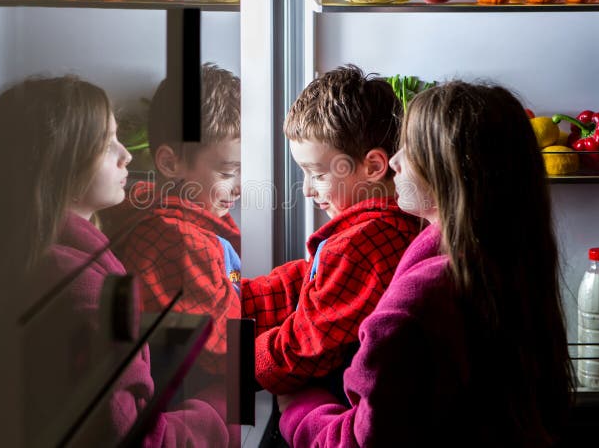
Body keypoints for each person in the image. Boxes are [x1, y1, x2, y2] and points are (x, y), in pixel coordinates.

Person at [277, 81, 574, 447]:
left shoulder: (413, 306)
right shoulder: (507, 261)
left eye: (410, 148)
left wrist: (300, 408)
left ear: (449, 170)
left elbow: (359, 441)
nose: (395, 161)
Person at [0, 76, 229, 447]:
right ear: (58, 164)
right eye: (105, 144)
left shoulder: (31, 256)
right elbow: (133, 439)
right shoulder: (83, 288)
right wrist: (219, 406)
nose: (126, 154)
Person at [241, 64, 422, 400]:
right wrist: (235, 299)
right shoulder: (373, 229)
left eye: (318, 175)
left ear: (373, 166)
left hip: (344, 407)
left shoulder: (364, 244)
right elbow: (307, 283)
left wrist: (235, 363)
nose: (308, 190)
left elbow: (307, 347)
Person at [104, 62, 242, 386]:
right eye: (226, 173)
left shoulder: (197, 215)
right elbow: (226, 349)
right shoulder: (177, 240)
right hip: (190, 399)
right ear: (170, 163)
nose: (239, 187)